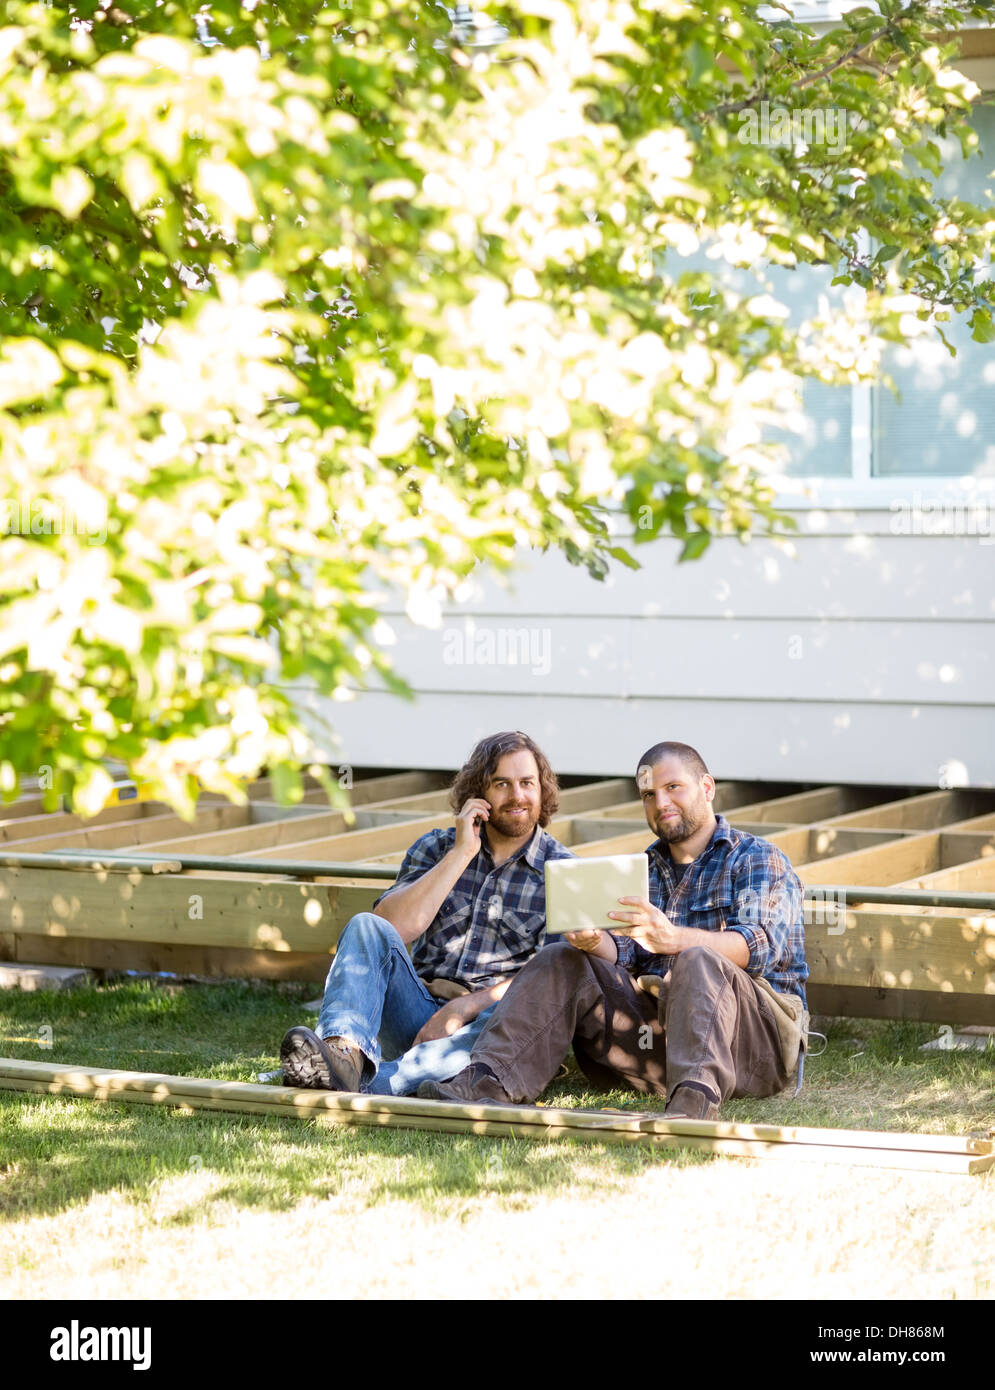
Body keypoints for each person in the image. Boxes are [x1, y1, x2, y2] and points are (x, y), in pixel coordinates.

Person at [420, 740, 809, 1119]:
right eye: (648, 795)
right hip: (660, 1043)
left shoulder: (757, 858)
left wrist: (675, 939)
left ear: (706, 788)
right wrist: (595, 943)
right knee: (562, 955)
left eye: (673, 787)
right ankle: (488, 1082)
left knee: (696, 959)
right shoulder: (641, 869)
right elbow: (627, 956)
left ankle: (694, 1103)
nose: (661, 803)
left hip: (752, 1045)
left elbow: (761, 945)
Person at [280, 730, 573, 1096]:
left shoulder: (563, 871)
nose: (517, 796)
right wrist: (461, 854)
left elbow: (554, 977)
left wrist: (465, 1007)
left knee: (508, 1029)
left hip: (482, 1027)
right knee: (365, 927)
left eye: (527, 783)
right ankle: (343, 1055)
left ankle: (359, 1082)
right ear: (478, 793)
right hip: (414, 1009)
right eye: (502, 784)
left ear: (542, 790)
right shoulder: (438, 848)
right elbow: (390, 928)